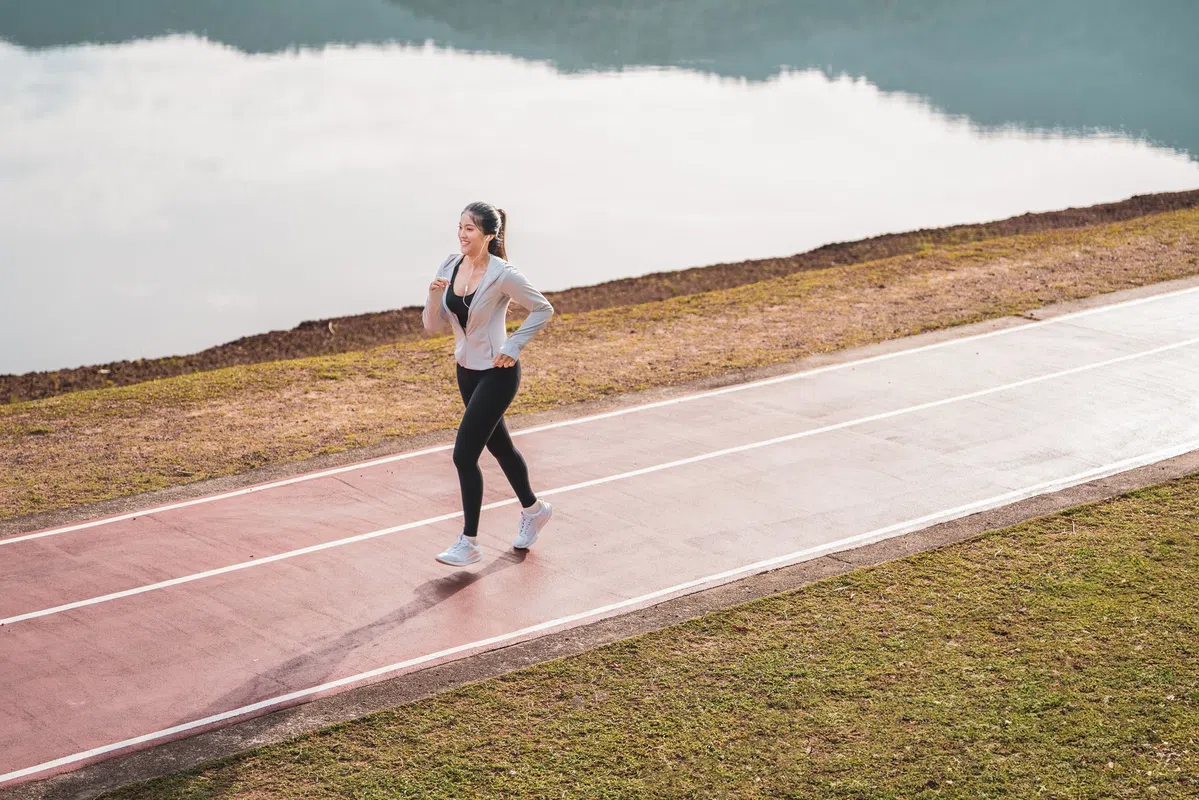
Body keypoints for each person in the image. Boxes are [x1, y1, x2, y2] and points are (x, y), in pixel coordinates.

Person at [422, 202, 555, 566]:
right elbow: (432, 326)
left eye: (470, 230)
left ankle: (469, 541)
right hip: (466, 370)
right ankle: (534, 509)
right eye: (460, 227)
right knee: (500, 447)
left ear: (489, 235)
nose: (462, 235)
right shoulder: (449, 265)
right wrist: (434, 296)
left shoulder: (503, 274)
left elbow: (543, 308)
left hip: (498, 372)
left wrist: (513, 346)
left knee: (464, 454)